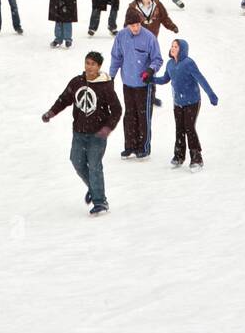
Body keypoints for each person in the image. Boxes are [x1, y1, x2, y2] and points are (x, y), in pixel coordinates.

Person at [42, 51, 123, 216]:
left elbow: (117, 110)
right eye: (87, 63)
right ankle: (94, 188)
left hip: (97, 135)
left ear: (99, 67)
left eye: (93, 64)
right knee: (77, 162)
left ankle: (100, 201)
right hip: (79, 133)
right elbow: (64, 99)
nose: (89, 66)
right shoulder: (77, 82)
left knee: (94, 166)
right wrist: (51, 112)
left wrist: (107, 129)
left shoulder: (105, 86)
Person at [153, 37, 218, 170]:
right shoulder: (170, 64)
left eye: (176, 47)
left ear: (182, 49)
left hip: (192, 101)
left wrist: (211, 94)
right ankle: (179, 156)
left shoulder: (189, 63)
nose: (173, 48)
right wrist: (150, 79)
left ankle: (196, 158)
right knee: (179, 128)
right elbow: (165, 79)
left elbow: (201, 79)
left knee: (189, 127)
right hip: (178, 102)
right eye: (172, 46)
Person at [108, 18, 163, 159]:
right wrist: (111, 77)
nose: (136, 28)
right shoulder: (121, 36)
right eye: (133, 25)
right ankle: (130, 146)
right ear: (127, 25)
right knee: (130, 116)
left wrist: (150, 71)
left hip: (144, 85)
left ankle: (143, 147)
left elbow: (157, 59)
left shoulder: (149, 37)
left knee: (143, 116)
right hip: (128, 83)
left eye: (138, 24)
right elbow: (116, 58)